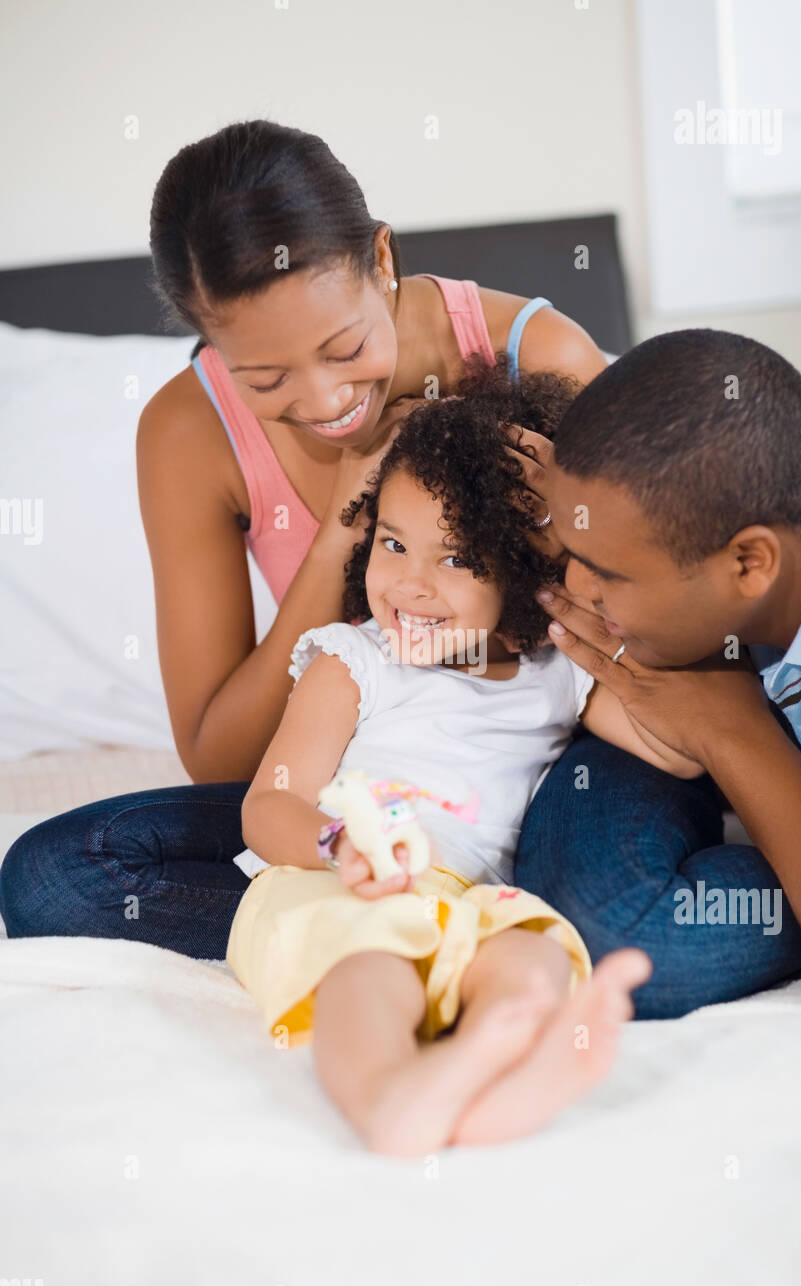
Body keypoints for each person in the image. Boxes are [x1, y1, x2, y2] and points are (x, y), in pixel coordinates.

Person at [0, 119, 610, 956]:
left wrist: (567, 517)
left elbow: (666, 620)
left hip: (549, 765)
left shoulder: (535, 354)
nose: (325, 402)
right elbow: (223, 758)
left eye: (345, 347)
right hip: (355, 795)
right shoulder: (188, 433)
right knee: (51, 875)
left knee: (623, 914)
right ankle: (407, 917)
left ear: (383, 260)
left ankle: (468, 914)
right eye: (266, 377)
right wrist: (342, 532)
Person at [226, 365, 708, 1154]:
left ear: (524, 580)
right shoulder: (352, 661)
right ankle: (387, 1095)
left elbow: (681, 755)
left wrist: (594, 608)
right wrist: (337, 848)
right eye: (392, 542)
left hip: (467, 905)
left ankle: (496, 1077)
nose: (409, 584)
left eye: (457, 560)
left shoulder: (558, 673)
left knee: (535, 960)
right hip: (339, 891)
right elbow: (266, 805)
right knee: (370, 972)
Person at [517, 328, 801, 1015]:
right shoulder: (727, 481)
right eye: (571, 548)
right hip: (690, 685)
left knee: (637, 948)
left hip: (734, 717)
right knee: (603, 919)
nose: (578, 586)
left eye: (609, 573)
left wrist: (730, 731)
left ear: (749, 563)